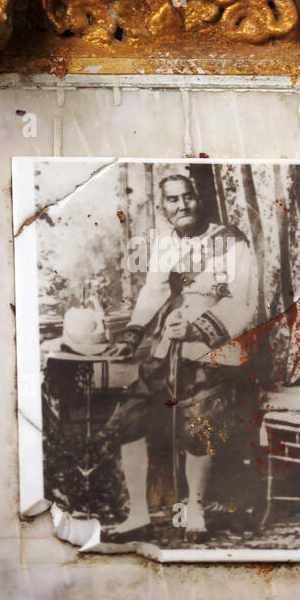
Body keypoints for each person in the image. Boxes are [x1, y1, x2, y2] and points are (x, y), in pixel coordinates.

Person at [101, 174, 259, 542]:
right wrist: (133, 334)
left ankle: (196, 511)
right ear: (164, 208)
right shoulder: (164, 243)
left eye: (188, 197)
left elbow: (244, 300)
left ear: (199, 199)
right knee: (130, 419)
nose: (182, 205)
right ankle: (138, 514)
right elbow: (153, 291)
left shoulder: (232, 242)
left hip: (211, 348)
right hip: (166, 345)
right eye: (173, 200)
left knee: (198, 426)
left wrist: (197, 330)